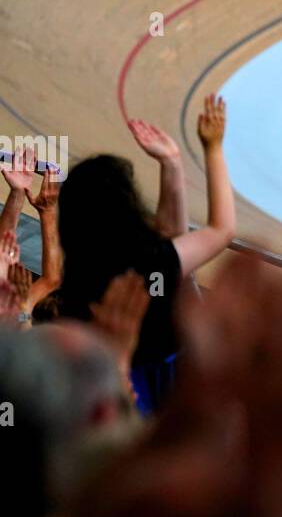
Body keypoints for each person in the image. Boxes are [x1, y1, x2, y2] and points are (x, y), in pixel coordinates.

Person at [55, 95, 235, 414]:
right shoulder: (154, 259)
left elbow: (170, 237)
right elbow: (220, 229)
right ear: (128, 205)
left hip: (109, 388)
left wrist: (172, 164)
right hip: (173, 387)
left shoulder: (77, 277)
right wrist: (212, 149)